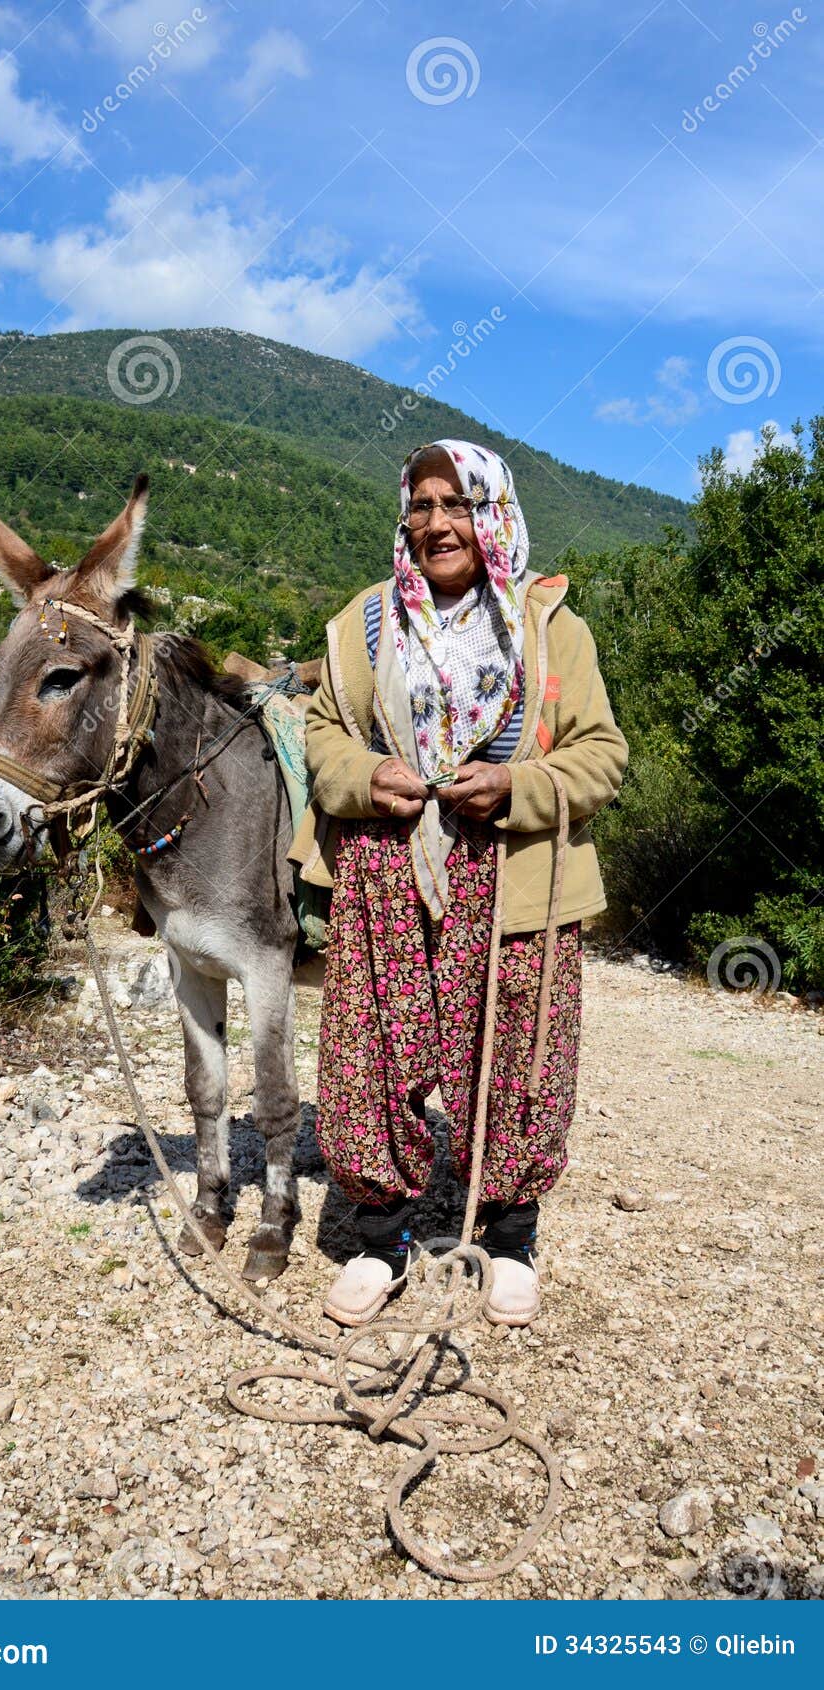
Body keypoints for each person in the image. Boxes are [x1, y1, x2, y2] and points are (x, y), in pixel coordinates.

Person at [288, 439, 628, 1328]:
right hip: (387, 866)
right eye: (422, 506)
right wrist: (366, 778)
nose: (439, 523)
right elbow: (322, 739)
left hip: (510, 875)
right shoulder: (365, 625)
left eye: (459, 504)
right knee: (373, 1051)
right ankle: (380, 1235)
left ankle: (509, 1233)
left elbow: (601, 755)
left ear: (494, 514)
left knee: (517, 1053)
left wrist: (519, 785)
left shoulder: (551, 629)